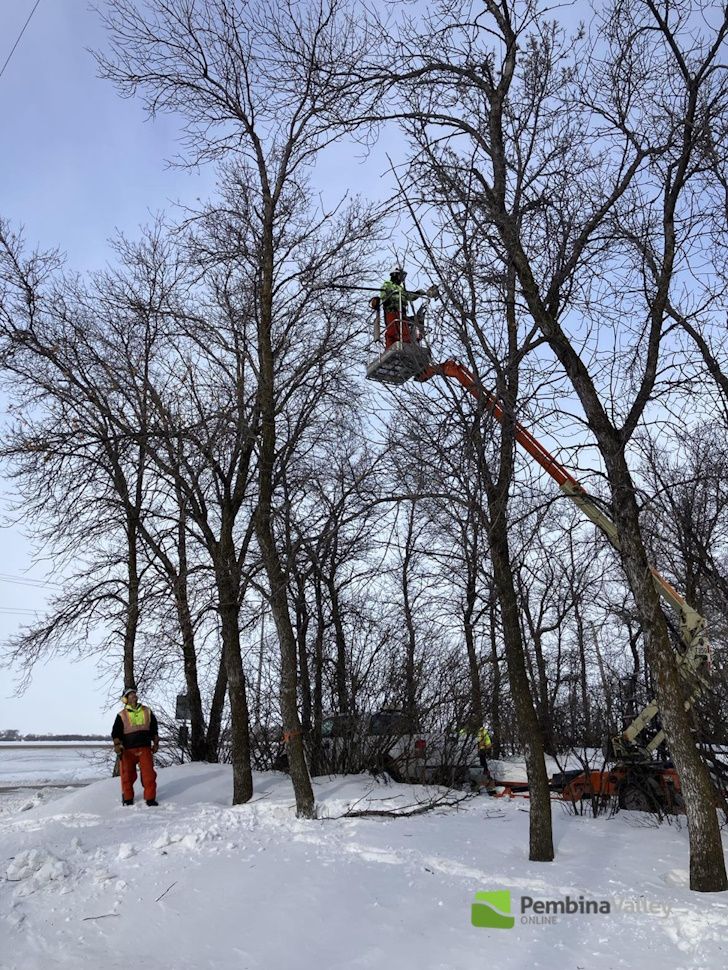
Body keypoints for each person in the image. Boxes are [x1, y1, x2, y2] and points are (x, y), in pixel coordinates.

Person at [112, 685, 160, 806]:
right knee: (127, 775)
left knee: (149, 774)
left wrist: (156, 742)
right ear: (125, 699)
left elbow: (154, 728)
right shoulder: (121, 715)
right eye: (130, 694)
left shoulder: (147, 711)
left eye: (134, 693)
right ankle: (128, 798)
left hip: (144, 748)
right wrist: (117, 745)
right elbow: (116, 732)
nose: (133, 695)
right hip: (128, 750)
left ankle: (150, 798)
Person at [380, 264, 427, 349]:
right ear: (394, 274)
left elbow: (408, 296)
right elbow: (383, 295)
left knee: (404, 331)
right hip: (392, 310)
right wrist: (388, 298)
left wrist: (418, 293)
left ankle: (406, 346)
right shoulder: (388, 285)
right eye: (400, 275)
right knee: (392, 331)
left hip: (402, 312)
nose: (402, 278)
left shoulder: (401, 288)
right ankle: (390, 347)